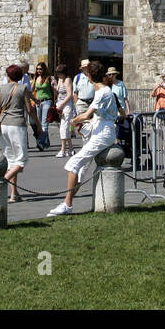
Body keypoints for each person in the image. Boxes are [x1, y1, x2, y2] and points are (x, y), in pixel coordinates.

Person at [46, 61, 116, 217]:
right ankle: (67, 201)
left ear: (89, 76)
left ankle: (67, 204)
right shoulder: (105, 91)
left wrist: (74, 120)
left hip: (103, 133)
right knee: (80, 168)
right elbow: (101, 115)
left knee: (73, 164)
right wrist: (85, 122)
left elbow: (87, 114)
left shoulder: (102, 92)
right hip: (101, 130)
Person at [0, 64, 40, 201]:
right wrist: (38, 125)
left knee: (10, 159)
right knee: (21, 160)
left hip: (4, 125)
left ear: (8, 76)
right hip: (17, 125)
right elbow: (29, 109)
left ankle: (14, 193)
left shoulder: (1, 88)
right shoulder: (23, 88)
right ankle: (1, 182)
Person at [53, 64, 75, 157]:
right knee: (64, 126)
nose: (58, 75)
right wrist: (53, 87)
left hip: (67, 105)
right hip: (60, 104)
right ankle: (71, 149)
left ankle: (63, 150)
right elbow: (57, 92)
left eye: (59, 73)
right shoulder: (60, 80)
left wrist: (62, 104)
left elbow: (70, 94)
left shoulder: (67, 80)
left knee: (64, 126)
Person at [32, 62, 54, 151]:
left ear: (44, 69)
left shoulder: (49, 78)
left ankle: (41, 143)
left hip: (47, 101)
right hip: (38, 102)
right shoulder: (36, 78)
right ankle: (46, 141)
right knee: (39, 124)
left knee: (44, 123)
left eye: (40, 69)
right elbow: (32, 89)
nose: (39, 71)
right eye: (37, 69)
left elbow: (54, 90)